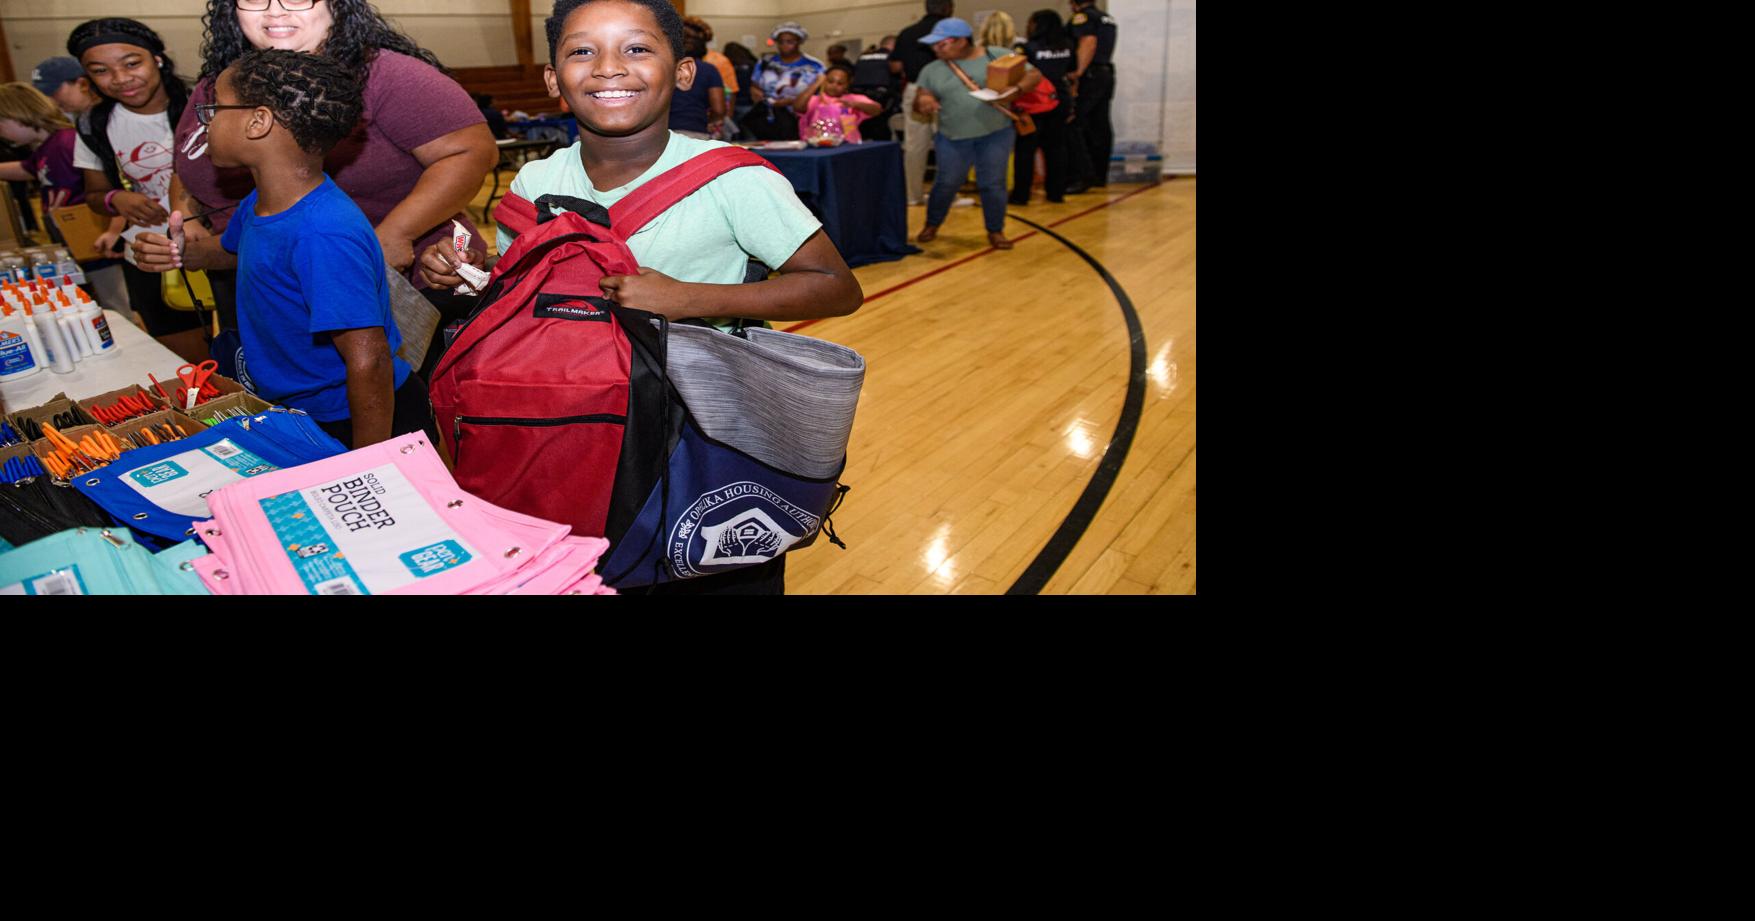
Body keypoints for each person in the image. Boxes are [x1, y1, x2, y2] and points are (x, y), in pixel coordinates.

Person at [420, 0, 863, 594]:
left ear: (681, 72)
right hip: (569, 426)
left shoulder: (735, 179)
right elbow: (526, 286)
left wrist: (686, 297)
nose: (607, 68)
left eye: (636, 48)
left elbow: (837, 287)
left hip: (692, 435)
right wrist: (474, 272)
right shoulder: (536, 181)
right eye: (582, 51)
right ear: (554, 80)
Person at [133, 0, 497, 337]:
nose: (275, 12)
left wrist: (393, 235)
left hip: (387, 284)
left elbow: (471, 152)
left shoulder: (385, 74)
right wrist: (188, 216)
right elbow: (186, 162)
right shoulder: (224, 83)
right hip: (255, 277)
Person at [201, 49, 425, 449]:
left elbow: (368, 359)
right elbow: (232, 251)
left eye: (215, 108)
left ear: (258, 121)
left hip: (354, 418)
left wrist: (365, 462)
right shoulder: (260, 202)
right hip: (298, 409)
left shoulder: (323, 232)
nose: (206, 122)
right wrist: (179, 252)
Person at [68, 17, 209, 362]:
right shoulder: (93, 124)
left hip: (212, 244)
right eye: (101, 70)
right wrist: (118, 198)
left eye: (132, 63)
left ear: (157, 58)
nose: (120, 79)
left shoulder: (201, 102)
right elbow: (94, 195)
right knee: (186, 361)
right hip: (148, 253)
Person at [912, 17, 1040, 250]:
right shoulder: (932, 69)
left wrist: (1016, 90)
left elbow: (1033, 74)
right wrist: (925, 100)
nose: (935, 49)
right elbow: (921, 97)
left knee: (993, 184)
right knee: (946, 183)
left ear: (962, 41)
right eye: (933, 45)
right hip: (952, 137)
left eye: (941, 44)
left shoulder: (996, 55)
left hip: (996, 133)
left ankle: (995, 230)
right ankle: (932, 224)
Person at [890, 0, 953, 206]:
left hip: (914, 89)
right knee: (949, 144)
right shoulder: (952, 30)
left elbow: (895, 66)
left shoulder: (907, 32)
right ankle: (947, 196)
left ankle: (912, 195)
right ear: (948, 8)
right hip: (947, 90)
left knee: (915, 146)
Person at [1010, 9, 1075, 205]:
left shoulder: (1027, 48)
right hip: (1060, 99)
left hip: (1033, 103)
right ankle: (1056, 193)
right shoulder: (1068, 46)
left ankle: (1021, 195)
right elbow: (1072, 73)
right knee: (1056, 148)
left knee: (1025, 150)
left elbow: (1017, 73)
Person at [0, 84, 86, 232]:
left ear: (19, 115)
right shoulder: (48, 146)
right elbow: (28, 168)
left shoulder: (63, 144)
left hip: (78, 226)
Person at [1066, 0, 1117, 192]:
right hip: (1104, 73)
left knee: (1076, 123)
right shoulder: (1106, 18)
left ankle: (1082, 175)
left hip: (1089, 75)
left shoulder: (1083, 17)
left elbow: (1088, 42)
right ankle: (1098, 174)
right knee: (1100, 124)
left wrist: (1077, 73)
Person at [745, 21, 824, 141]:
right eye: (780, 41)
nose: (784, 45)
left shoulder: (814, 65)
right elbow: (755, 84)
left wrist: (792, 101)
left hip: (799, 118)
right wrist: (755, 91)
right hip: (768, 117)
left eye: (790, 41)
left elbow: (822, 94)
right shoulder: (766, 62)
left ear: (799, 42)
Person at [793, 63, 880, 144]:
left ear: (848, 84)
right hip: (815, 145)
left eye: (840, 83)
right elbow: (797, 107)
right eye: (830, 81)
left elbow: (877, 110)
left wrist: (856, 104)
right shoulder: (813, 99)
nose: (834, 86)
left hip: (847, 146)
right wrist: (816, 84)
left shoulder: (854, 98)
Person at [669, 24, 725, 139]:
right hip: (696, 131)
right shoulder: (709, 70)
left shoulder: (664, 68)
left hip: (662, 134)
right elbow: (719, 109)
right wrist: (710, 121)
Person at [683, 16, 738, 99]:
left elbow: (730, 93)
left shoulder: (719, 61)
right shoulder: (672, 60)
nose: (688, 42)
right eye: (685, 37)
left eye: (692, 38)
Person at [31, 57, 100, 118]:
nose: (50, 99)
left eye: (53, 91)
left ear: (83, 84)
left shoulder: (108, 117)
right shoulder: (82, 118)